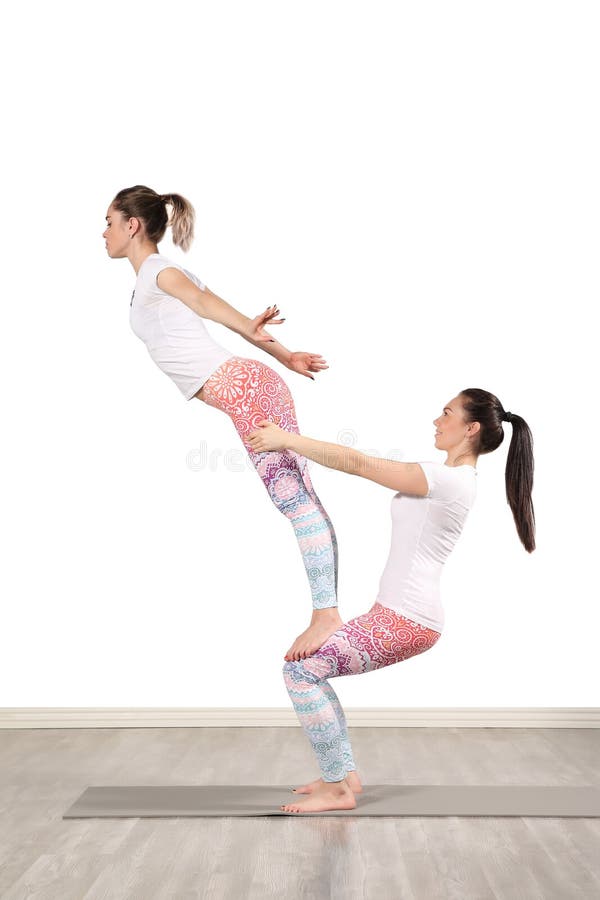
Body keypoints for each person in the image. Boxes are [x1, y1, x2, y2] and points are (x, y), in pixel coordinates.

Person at [247, 392, 535, 813]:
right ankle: (345, 776)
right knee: (308, 670)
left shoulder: (449, 480)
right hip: (397, 615)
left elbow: (360, 463)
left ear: (471, 429)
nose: (437, 420)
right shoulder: (449, 478)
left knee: (301, 672)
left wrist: (287, 439)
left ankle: (338, 789)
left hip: (408, 619)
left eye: (447, 413)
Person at [103, 184, 341, 661]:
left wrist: (253, 331)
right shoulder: (159, 274)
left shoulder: (159, 270)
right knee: (297, 496)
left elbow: (208, 306)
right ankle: (327, 609)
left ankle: (326, 614)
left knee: (292, 499)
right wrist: (286, 354)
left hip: (244, 389)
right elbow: (213, 309)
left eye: (108, 222)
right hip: (249, 385)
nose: (102, 232)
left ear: (132, 226)